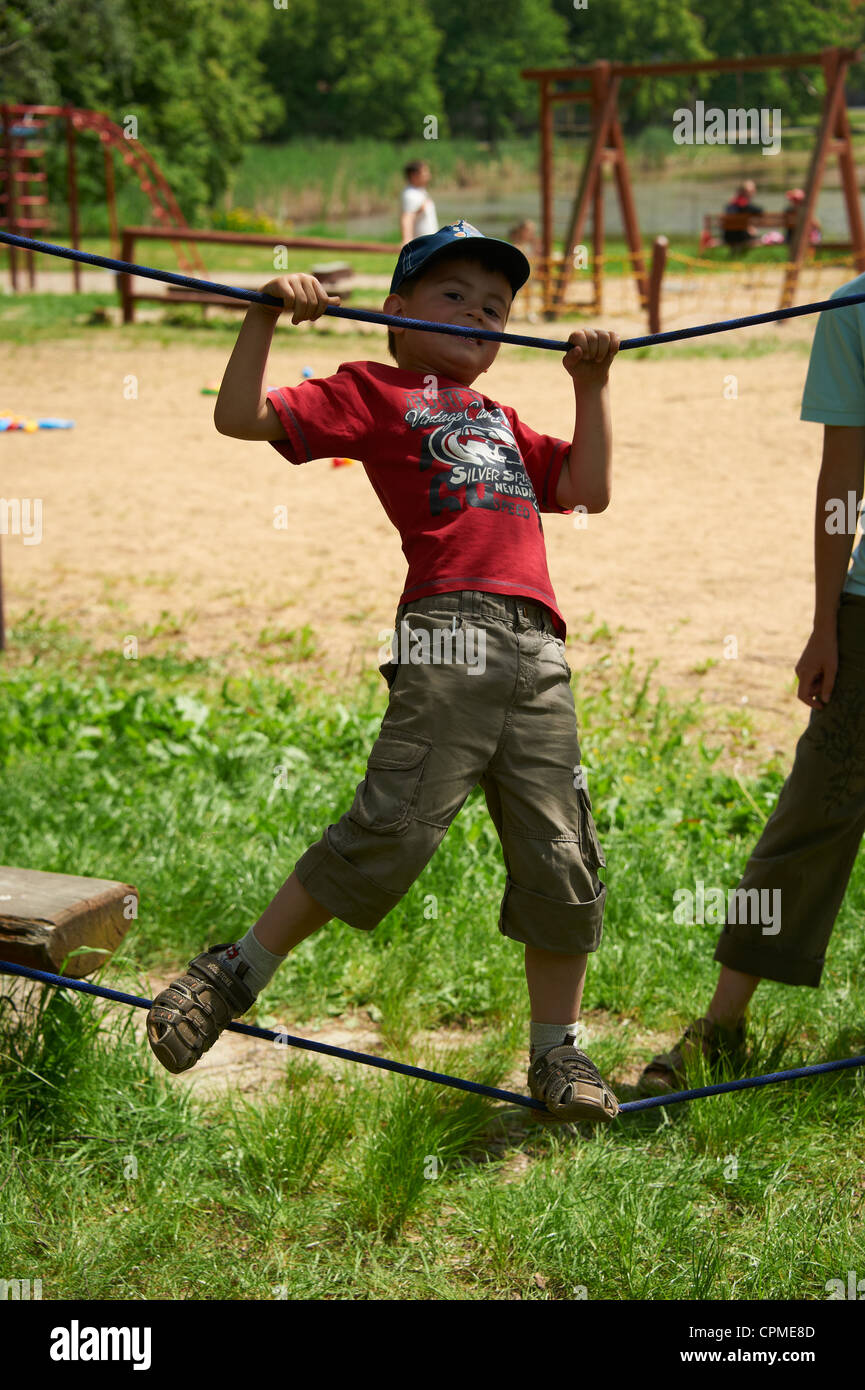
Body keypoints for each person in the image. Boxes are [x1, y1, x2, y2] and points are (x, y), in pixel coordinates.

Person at [145, 219, 622, 1125]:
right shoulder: (372, 388)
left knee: (562, 851)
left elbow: (589, 489)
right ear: (392, 312)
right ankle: (234, 971)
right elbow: (238, 416)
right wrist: (265, 319)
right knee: (394, 825)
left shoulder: (501, 418)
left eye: (495, 306)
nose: (480, 315)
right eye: (454, 296)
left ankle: (556, 1053)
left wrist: (590, 385)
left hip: (541, 648)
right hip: (448, 630)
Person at [638, 268, 865, 1094]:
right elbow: (842, 477)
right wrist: (824, 619)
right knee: (817, 807)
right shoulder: (852, 308)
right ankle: (722, 1023)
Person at [400, 160, 437, 246]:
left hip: (429, 243)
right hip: (422, 245)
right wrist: (406, 240)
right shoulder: (410, 195)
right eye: (425, 172)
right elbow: (408, 218)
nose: (428, 175)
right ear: (414, 175)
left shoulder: (420, 192)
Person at [723, 180, 763, 250]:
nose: (752, 193)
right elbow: (760, 211)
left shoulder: (733, 203)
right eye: (750, 191)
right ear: (743, 192)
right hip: (738, 236)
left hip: (730, 236)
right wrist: (748, 227)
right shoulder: (742, 204)